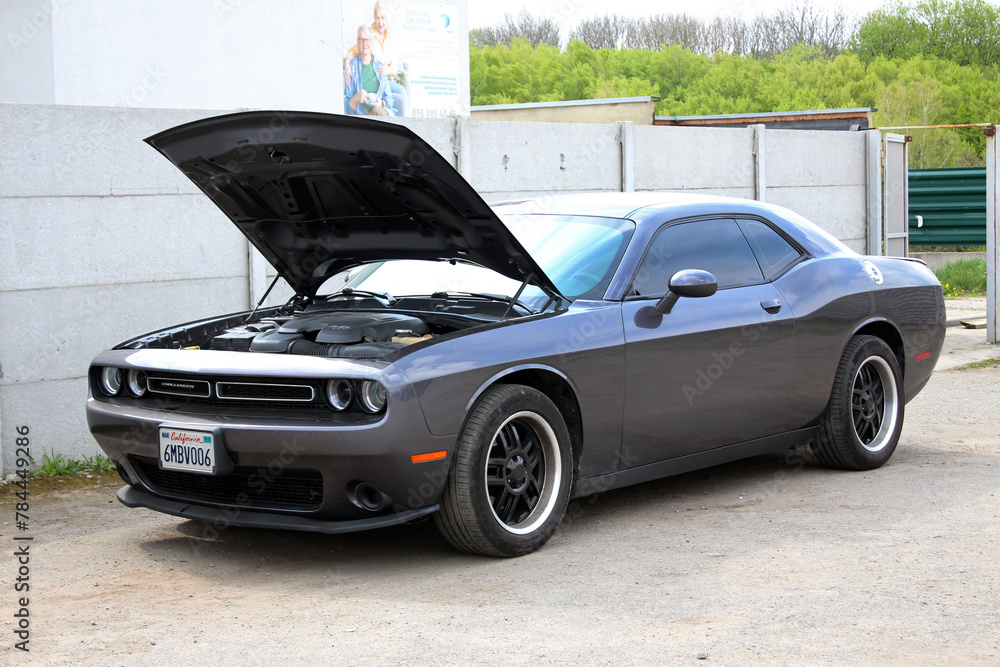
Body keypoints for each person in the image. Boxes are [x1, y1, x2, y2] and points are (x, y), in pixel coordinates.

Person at [343, 1, 406, 116]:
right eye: (377, 18)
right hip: (365, 111)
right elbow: (354, 50)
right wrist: (347, 63)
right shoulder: (369, 33)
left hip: (384, 77)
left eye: (383, 18)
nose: (380, 22)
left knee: (401, 91)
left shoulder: (389, 38)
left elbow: (394, 66)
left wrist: (381, 102)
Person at [344, 25, 394, 116]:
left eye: (367, 40)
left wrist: (381, 103)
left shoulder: (380, 66)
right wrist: (356, 98)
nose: (364, 43)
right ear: (357, 42)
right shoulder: (352, 67)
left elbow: (389, 99)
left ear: (371, 42)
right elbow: (347, 106)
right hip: (362, 117)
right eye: (361, 40)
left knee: (377, 112)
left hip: (380, 115)